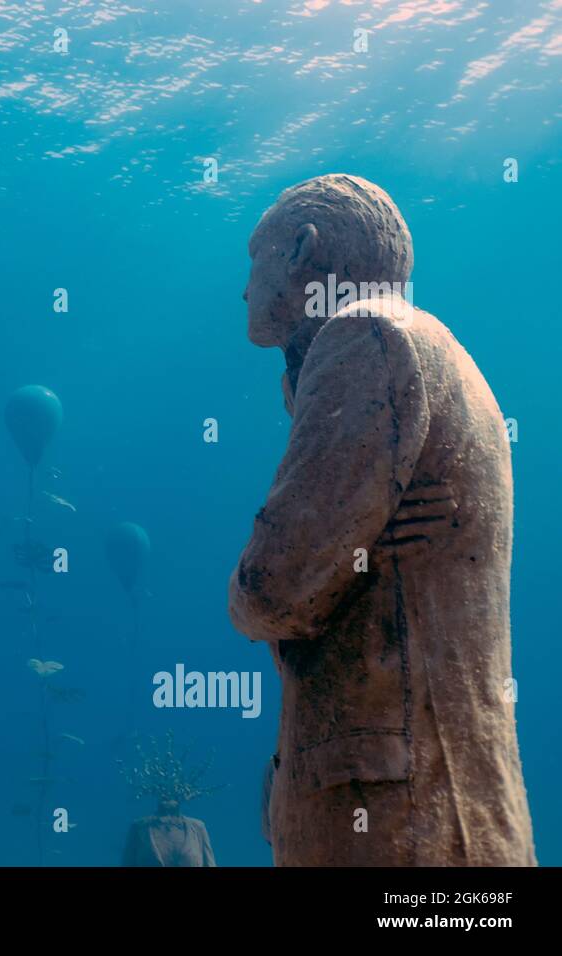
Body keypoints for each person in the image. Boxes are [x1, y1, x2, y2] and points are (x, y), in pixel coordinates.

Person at [229, 174, 535, 866]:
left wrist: (245, 595)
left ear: (304, 248)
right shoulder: (441, 352)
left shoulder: (365, 334)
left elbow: (275, 583)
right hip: (452, 790)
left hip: (393, 803)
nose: (244, 288)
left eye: (256, 258)